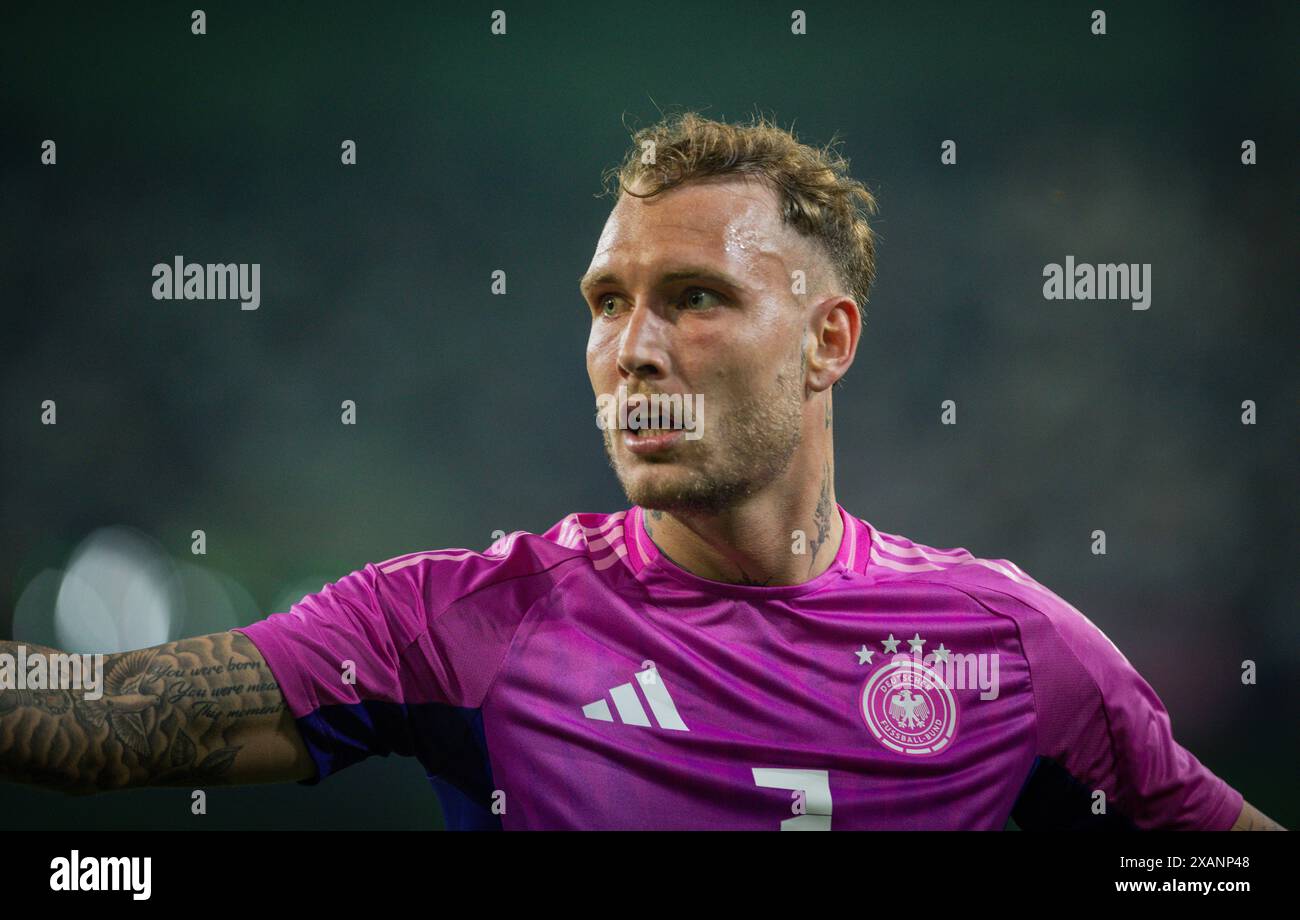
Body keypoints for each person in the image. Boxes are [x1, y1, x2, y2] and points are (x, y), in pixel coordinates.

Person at [0, 112, 1283, 830]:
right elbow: (105, 719)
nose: (630, 346)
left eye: (693, 296)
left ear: (827, 339)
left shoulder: (1008, 646)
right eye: (606, 301)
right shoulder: (468, 618)